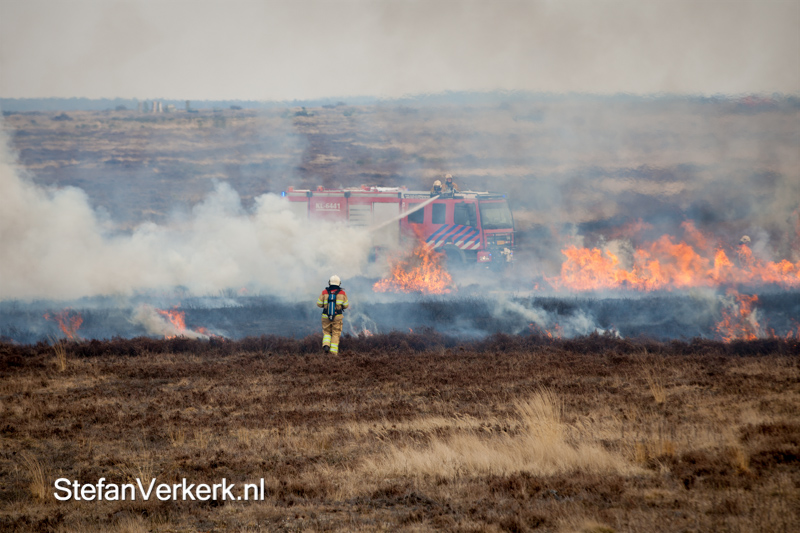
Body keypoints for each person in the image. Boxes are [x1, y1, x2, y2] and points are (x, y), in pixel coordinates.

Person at [316, 275, 349, 354]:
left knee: (326, 332)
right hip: (337, 317)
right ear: (339, 283)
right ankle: (333, 354)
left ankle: (326, 345)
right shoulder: (342, 293)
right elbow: (346, 305)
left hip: (325, 316)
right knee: (335, 333)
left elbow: (319, 304)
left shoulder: (324, 292)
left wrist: (326, 305)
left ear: (329, 283)